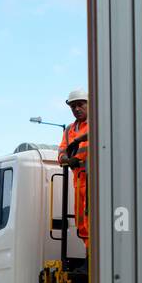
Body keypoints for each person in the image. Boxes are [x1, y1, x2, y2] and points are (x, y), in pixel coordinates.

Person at [57, 88, 90, 241]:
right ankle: (88, 257)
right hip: (78, 181)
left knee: (93, 219)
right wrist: (66, 159)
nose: (76, 109)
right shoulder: (69, 129)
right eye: (73, 106)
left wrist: (78, 141)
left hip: (93, 180)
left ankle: (93, 259)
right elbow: (61, 151)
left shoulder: (98, 123)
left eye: (80, 104)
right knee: (81, 222)